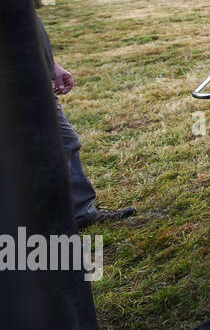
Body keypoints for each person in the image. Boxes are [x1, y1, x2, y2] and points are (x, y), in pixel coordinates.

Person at [36, 14, 136, 229]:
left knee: (65, 142)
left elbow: (26, 26)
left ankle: (80, 212)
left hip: (34, 78)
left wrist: (51, 65)